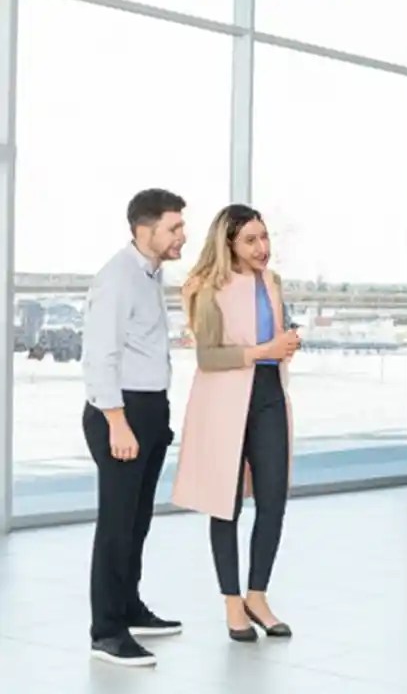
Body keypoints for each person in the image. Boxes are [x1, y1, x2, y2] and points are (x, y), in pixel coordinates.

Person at [173, 204, 301, 642]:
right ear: (229, 242)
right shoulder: (207, 288)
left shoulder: (273, 283)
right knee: (225, 503)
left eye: (265, 238)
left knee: (273, 501)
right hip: (224, 403)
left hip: (268, 396)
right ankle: (232, 602)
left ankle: (257, 594)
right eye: (251, 240)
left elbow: (274, 340)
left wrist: (286, 345)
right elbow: (208, 357)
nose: (262, 248)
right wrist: (264, 349)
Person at [82, 188, 188, 667]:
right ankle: (107, 631)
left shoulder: (150, 275)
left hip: (148, 410)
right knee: (116, 525)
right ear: (144, 230)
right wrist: (117, 423)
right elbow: (100, 356)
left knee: (137, 521)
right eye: (174, 227)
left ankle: (129, 607)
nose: (181, 235)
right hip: (120, 414)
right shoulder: (118, 277)